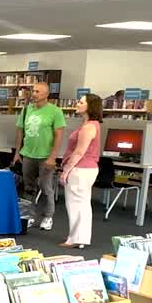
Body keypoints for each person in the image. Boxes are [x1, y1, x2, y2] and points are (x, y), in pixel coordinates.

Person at [11, 82, 66, 231]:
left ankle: (48, 216)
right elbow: (20, 131)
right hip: (28, 154)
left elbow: (59, 135)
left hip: (46, 156)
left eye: (38, 91)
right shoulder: (26, 110)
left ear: (46, 94)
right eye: (33, 91)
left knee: (45, 186)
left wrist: (53, 157)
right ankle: (29, 215)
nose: (34, 94)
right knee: (28, 187)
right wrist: (17, 152)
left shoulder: (55, 111)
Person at [60, 93, 103, 250]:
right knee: (82, 204)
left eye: (80, 102)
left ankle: (75, 239)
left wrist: (65, 171)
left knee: (75, 204)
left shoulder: (89, 127)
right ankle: (80, 237)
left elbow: (79, 152)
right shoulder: (90, 125)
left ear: (89, 106)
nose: (77, 104)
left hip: (80, 169)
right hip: (86, 169)